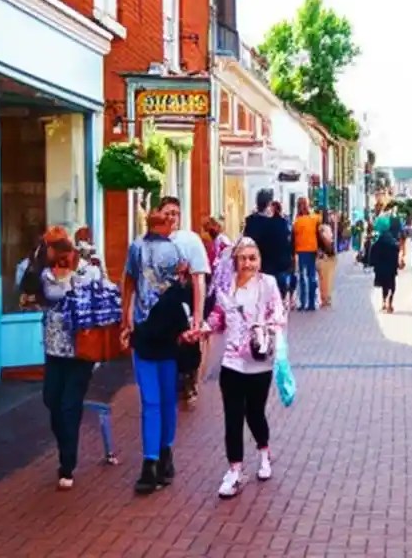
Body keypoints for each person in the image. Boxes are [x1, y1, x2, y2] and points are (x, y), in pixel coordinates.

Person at [121, 208, 202, 494]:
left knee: (159, 399)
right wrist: (126, 322)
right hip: (155, 332)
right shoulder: (141, 248)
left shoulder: (172, 247)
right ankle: (155, 459)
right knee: (159, 399)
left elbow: (130, 285)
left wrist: (126, 322)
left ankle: (159, 457)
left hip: (159, 332)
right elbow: (130, 285)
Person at [207, 237, 288, 498]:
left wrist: (263, 331)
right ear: (236, 261)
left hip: (259, 362)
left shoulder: (268, 284)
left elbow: (278, 316)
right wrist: (203, 328)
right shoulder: (226, 287)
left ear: (259, 260)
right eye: (243, 258)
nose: (248, 263)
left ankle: (264, 453)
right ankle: (235, 470)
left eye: (253, 258)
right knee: (232, 417)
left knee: (254, 413)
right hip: (232, 362)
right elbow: (218, 317)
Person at [38, 229, 93, 490]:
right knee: (52, 400)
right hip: (54, 349)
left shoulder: (88, 270)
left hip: (81, 350)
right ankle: (64, 444)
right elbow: (51, 293)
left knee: (70, 405)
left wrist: (79, 269)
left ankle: (67, 464)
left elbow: (93, 291)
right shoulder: (46, 274)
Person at [158, 197, 210, 406]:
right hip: (159, 303)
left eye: (175, 213)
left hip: (182, 297)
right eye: (167, 213)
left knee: (187, 342)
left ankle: (189, 379)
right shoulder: (150, 241)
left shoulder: (190, 240)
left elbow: (199, 278)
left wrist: (198, 315)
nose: (171, 217)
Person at [244, 189, 295, 311]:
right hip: (276, 266)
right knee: (276, 295)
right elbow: (284, 243)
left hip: (258, 266)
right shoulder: (278, 223)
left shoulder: (251, 222)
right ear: (269, 204)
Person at [370, 205, 402, 313]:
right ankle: (390, 301)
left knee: (384, 283)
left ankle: (384, 301)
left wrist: (372, 263)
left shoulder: (377, 238)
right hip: (391, 263)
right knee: (391, 282)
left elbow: (372, 251)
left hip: (380, 265)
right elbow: (398, 248)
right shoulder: (393, 240)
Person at [291, 197, 321, 311]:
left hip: (301, 250)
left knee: (302, 277)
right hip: (312, 249)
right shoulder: (315, 219)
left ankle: (303, 302)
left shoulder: (297, 221)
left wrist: (292, 252)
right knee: (311, 276)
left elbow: (293, 238)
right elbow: (319, 233)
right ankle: (312, 303)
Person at [316, 214, 338, 308]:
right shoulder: (328, 228)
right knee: (329, 279)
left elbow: (324, 241)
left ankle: (324, 298)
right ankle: (327, 298)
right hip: (330, 256)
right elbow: (330, 240)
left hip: (323, 257)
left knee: (323, 280)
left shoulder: (320, 229)